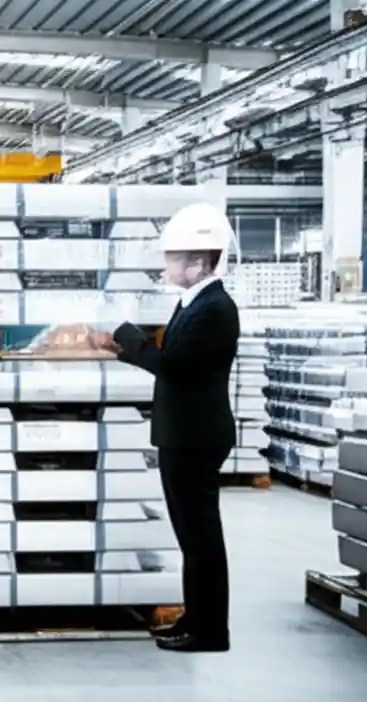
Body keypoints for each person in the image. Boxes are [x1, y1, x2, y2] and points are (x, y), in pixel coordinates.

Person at [91, 202, 240, 653]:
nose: (167, 265)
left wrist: (124, 334)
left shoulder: (214, 309)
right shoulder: (194, 303)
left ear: (199, 261)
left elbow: (174, 365)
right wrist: (122, 348)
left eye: (173, 257)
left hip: (197, 437)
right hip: (185, 435)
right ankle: (194, 620)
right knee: (191, 540)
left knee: (201, 541)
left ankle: (210, 632)